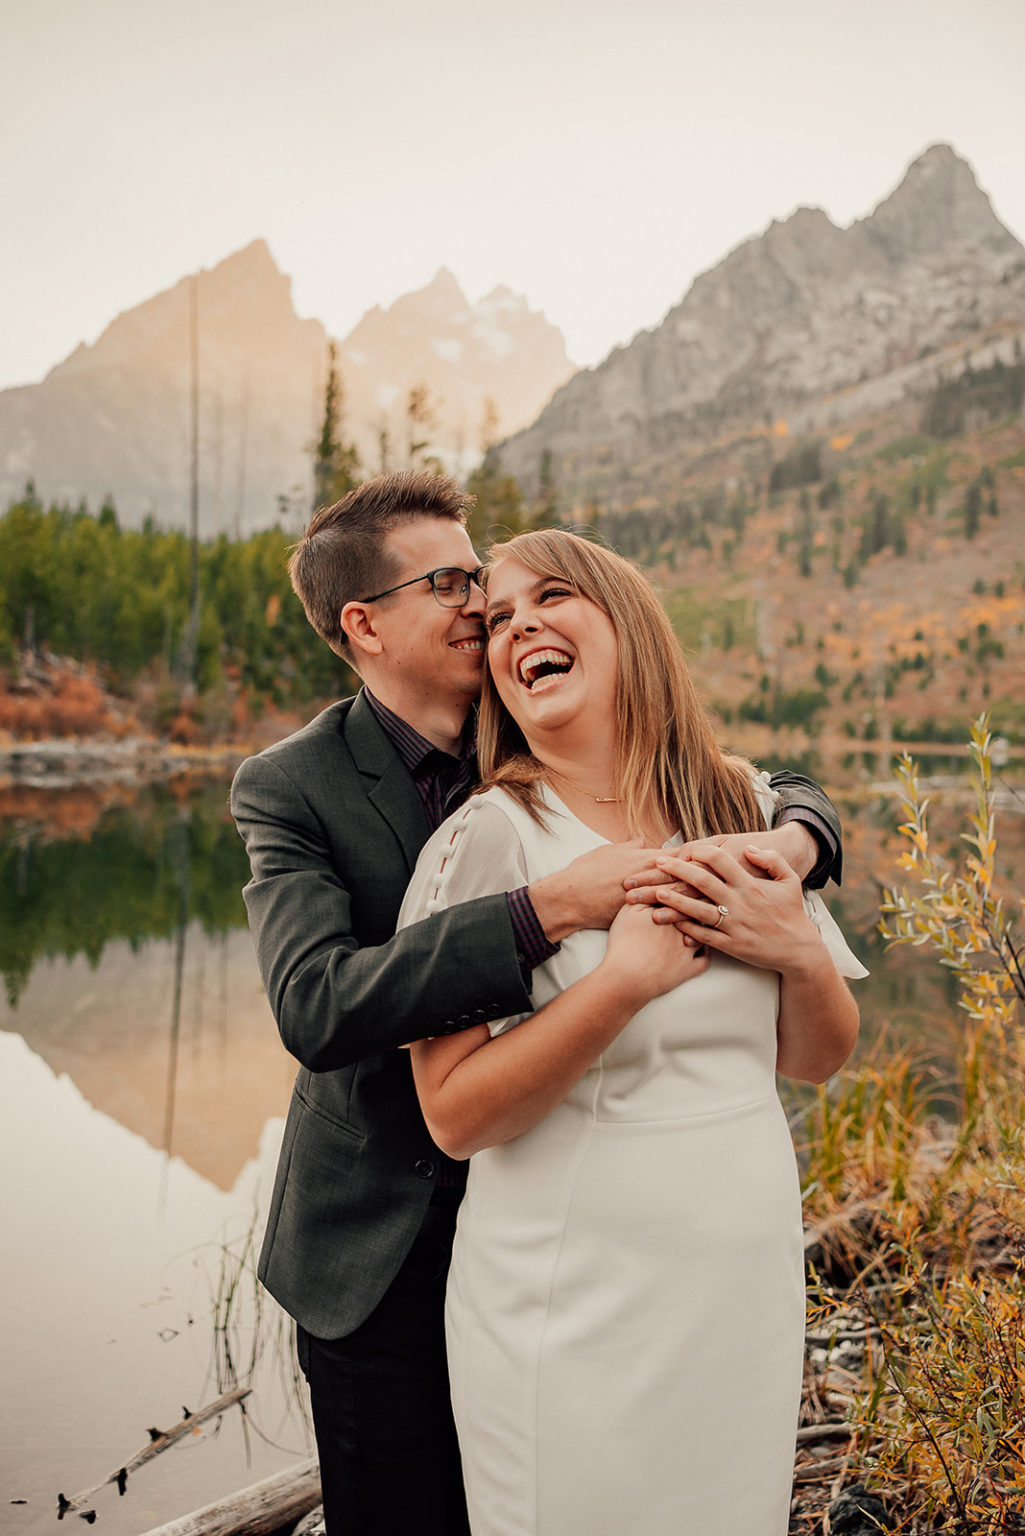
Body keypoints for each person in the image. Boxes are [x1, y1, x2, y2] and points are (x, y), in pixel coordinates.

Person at [230, 472, 844, 1536]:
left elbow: (750, 776)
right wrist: (548, 910)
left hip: (612, 1229)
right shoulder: (296, 786)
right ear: (364, 624)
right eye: (456, 584)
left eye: (497, 585)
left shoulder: (532, 717)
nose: (486, 608)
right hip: (383, 1240)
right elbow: (314, 1005)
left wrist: (800, 840)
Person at [399, 528, 867, 1536]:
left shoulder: (735, 806)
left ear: (627, 627)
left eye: (551, 598)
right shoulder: (493, 836)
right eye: (500, 622)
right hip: (570, 1304)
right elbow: (452, 1114)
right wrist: (620, 986)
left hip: (736, 1286)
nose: (519, 626)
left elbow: (815, 1054)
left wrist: (793, 947)